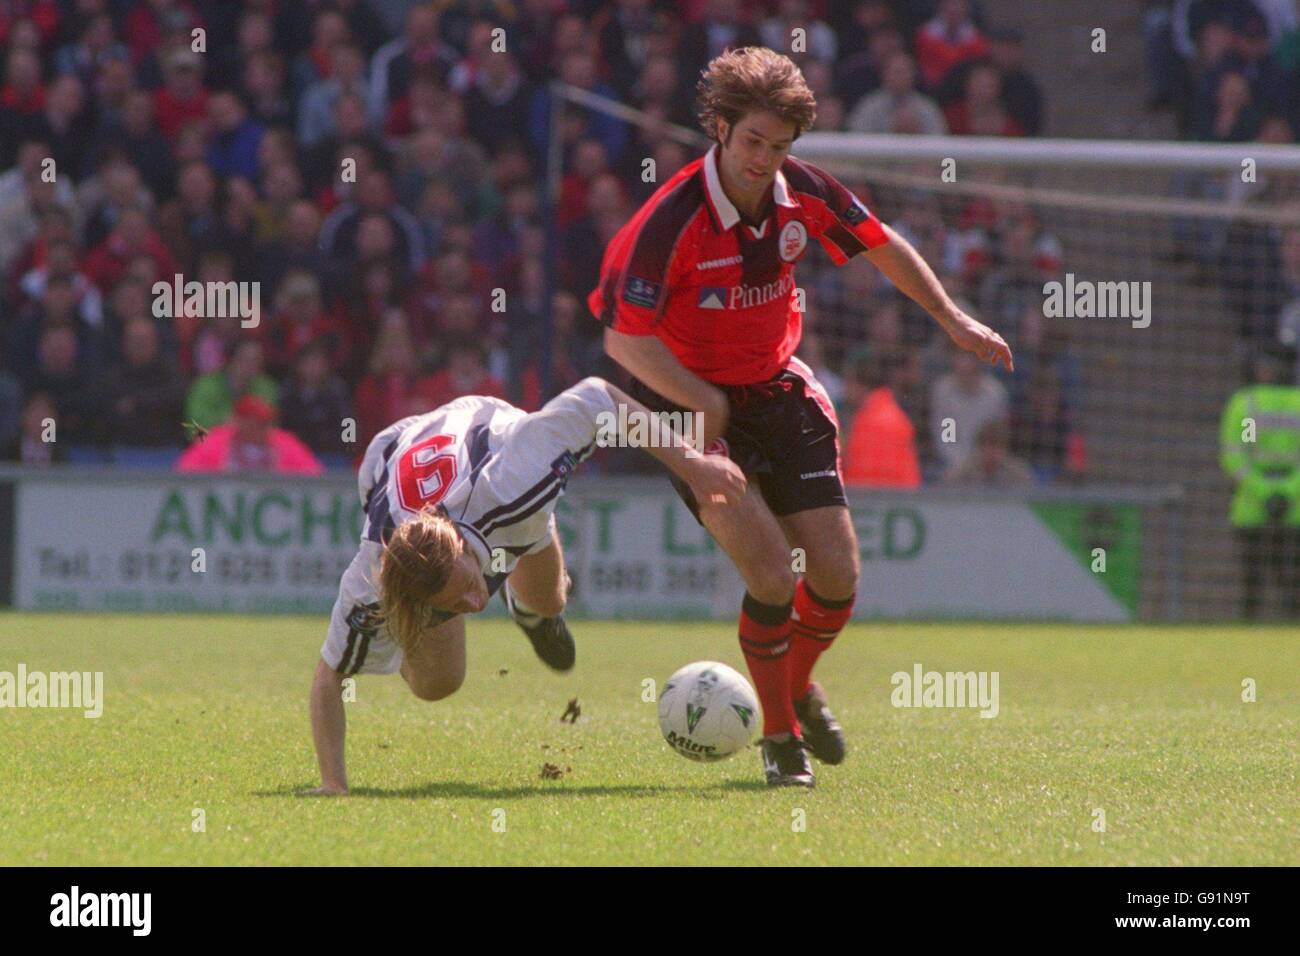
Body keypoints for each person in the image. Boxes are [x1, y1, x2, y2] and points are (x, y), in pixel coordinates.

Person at [589, 47, 1011, 788]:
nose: (764, 160)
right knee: (770, 577)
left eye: (780, 147)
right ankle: (780, 740)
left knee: (838, 575)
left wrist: (951, 318)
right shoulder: (671, 222)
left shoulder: (801, 193)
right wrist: (704, 401)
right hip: (693, 412)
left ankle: (794, 686)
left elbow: (878, 244)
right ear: (719, 128)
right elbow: (623, 338)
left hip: (780, 392)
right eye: (753, 141)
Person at [306, 377, 745, 795]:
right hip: (388, 457)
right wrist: (333, 783)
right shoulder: (372, 580)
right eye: (454, 604)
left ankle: (530, 609)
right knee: (437, 685)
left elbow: (599, 398)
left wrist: (694, 465)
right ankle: (414, 624)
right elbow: (329, 677)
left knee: (550, 600)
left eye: (470, 586)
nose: (478, 603)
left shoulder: (516, 480)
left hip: (486, 433)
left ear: (458, 543)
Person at [1219, 344, 1300, 618]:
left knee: (1251, 582)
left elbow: (1234, 456)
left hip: (1251, 504)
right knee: (1290, 579)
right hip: (1295, 505)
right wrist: (1287, 491)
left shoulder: (1246, 403)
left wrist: (1264, 492)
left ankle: (1249, 629)